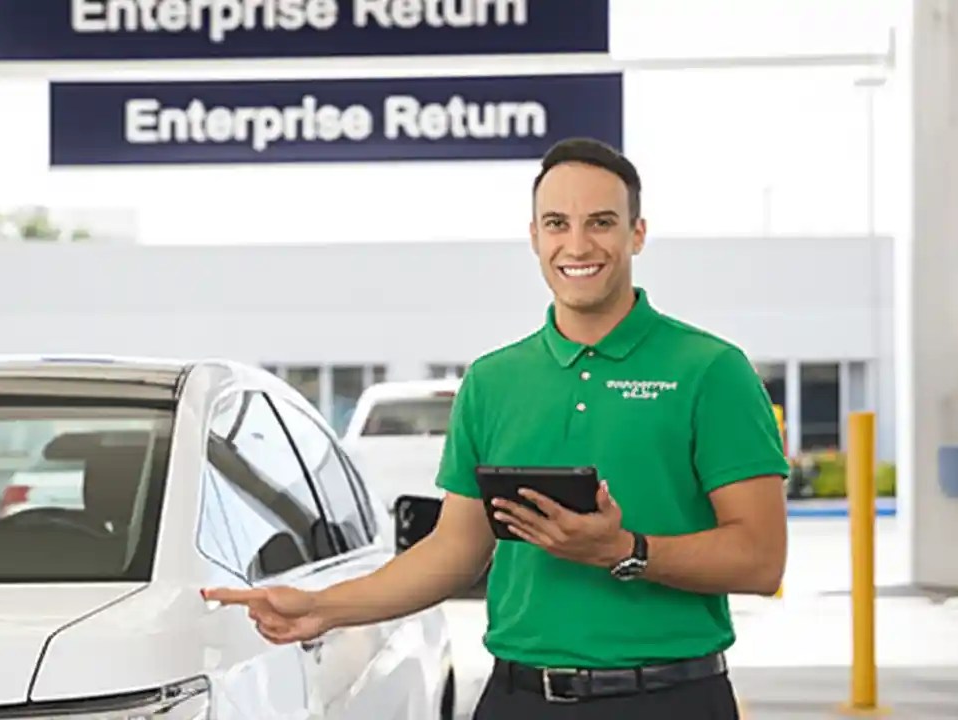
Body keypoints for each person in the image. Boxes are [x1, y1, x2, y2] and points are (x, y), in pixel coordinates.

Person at [203, 137, 790, 719]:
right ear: (535, 236)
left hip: (670, 699)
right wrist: (321, 608)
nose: (577, 244)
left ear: (637, 233)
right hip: (519, 700)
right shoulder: (492, 381)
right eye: (557, 223)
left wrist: (622, 549)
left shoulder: (711, 370)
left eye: (602, 222)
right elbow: (455, 551)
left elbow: (760, 560)